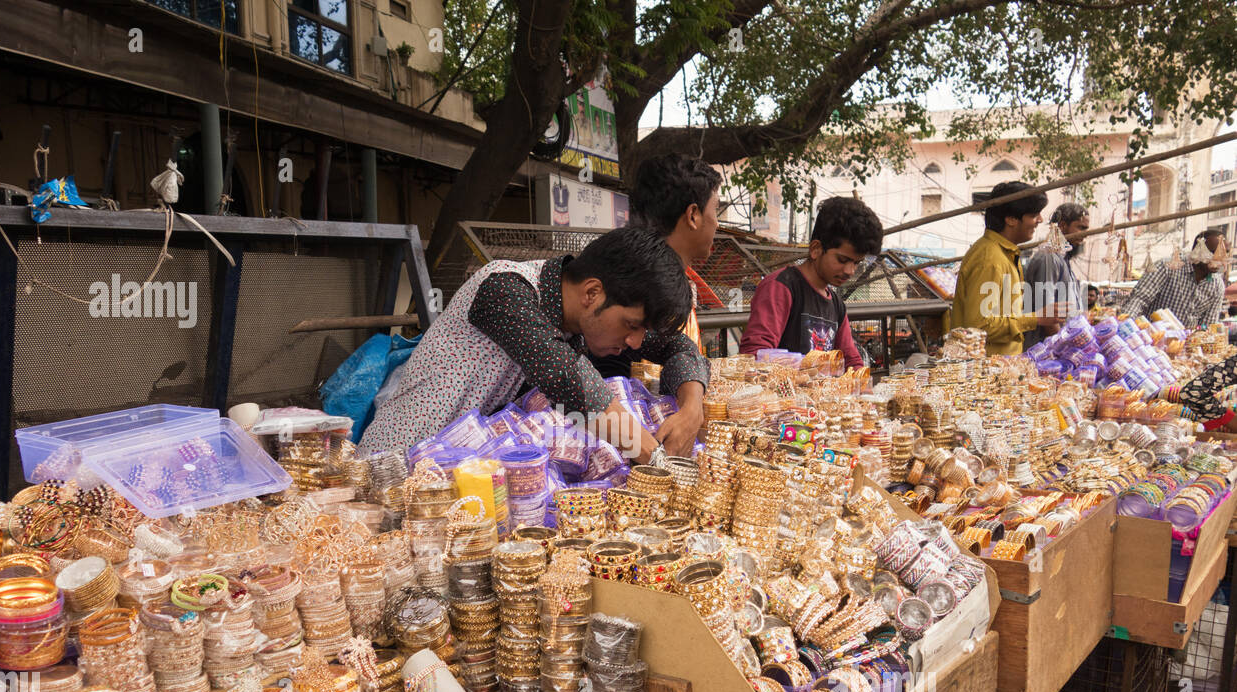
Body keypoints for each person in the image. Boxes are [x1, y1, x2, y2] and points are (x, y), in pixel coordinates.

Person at [356, 227, 705, 461]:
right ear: (592, 293)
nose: (635, 342)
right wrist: (654, 457)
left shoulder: (584, 314)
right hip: (395, 466)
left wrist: (691, 409)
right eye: (631, 326)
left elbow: (679, 347)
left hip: (465, 471)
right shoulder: (504, 288)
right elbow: (566, 378)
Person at [593, 152, 722, 387]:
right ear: (693, 215)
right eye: (716, 210)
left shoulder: (678, 280)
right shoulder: (631, 280)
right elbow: (609, 380)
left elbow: (677, 346)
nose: (718, 223)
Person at [738, 196, 883, 367]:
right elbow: (755, 353)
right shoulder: (781, 287)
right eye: (842, 260)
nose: (850, 271)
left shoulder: (836, 305)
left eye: (856, 263)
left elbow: (852, 361)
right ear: (816, 249)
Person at [946, 181, 1068, 355]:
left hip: (1000, 368)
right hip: (984, 372)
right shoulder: (990, 259)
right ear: (1011, 219)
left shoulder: (1005, 254)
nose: (1040, 220)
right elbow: (979, 327)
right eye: (1034, 215)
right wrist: (1037, 318)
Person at [1123, 230, 1227, 328]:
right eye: (1213, 252)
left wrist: (1199, 333)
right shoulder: (1165, 267)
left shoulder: (1217, 285)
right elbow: (1139, 299)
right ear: (1198, 251)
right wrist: (1124, 324)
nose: (1219, 259)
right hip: (1151, 340)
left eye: (1223, 254)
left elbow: (1208, 325)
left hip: (1184, 344)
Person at [1024, 202, 1090, 347]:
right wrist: (1063, 348)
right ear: (1063, 226)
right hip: (1046, 350)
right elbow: (1047, 314)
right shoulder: (1049, 257)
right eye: (1081, 228)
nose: (1085, 234)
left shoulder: (1063, 258)